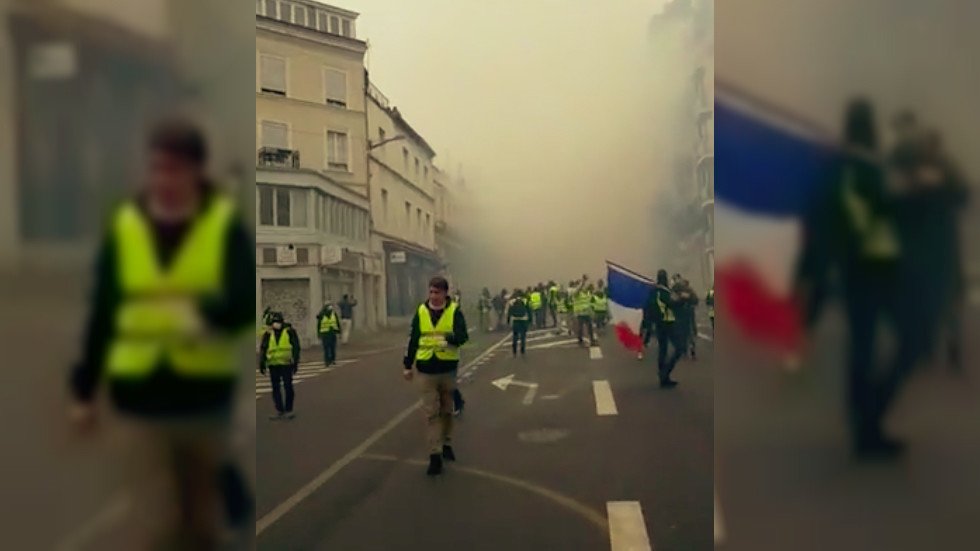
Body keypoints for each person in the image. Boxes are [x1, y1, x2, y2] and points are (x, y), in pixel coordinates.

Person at [68, 118, 255, 548]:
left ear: (195, 171)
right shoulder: (126, 225)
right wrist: (83, 388)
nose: (164, 179)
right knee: (156, 527)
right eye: (156, 168)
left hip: (204, 403)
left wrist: (205, 316)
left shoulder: (224, 225)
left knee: (201, 527)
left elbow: (245, 301)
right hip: (139, 402)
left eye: (174, 169)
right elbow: (103, 310)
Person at [796, 98, 915, 458]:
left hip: (868, 271)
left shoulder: (848, 168)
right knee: (886, 345)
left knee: (875, 347)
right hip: (870, 271)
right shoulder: (859, 169)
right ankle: (867, 426)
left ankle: (867, 420)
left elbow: (819, 227)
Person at [403, 276, 469, 475]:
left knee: (447, 411)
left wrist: (449, 338)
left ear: (445, 293)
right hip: (426, 370)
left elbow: (463, 337)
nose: (434, 296)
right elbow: (412, 339)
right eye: (431, 292)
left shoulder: (454, 312)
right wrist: (407, 365)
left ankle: (446, 442)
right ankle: (435, 454)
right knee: (431, 414)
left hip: (447, 370)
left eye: (437, 292)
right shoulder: (421, 312)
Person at [259, 312, 301, 421]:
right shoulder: (268, 334)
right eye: (274, 322)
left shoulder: (289, 332)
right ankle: (280, 410)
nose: (276, 324)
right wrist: (262, 363)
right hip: (273, 365)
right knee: (275, 388)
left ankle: (288, 409)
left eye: (278, 322)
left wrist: (295, 362)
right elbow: (263, 348)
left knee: (288, 386)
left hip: (286, 364)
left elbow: (296, 347)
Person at [653, 269, 686, 387]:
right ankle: (665, 372)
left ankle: (663, 376)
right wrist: (682, 299)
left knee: (663, 350)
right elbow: (672, 303)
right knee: (680, 347)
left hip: (659, 323)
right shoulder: (664, 291)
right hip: (668, 322)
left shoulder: (654, 290)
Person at [507, 289, 531, 357]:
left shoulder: (512, 301)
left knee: (515, 335)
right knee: (523, 335)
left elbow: (509, 312)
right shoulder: (525, 300)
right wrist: (530, 319)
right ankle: (522, 349)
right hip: (523, 320)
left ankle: (514, 350)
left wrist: (508, 320)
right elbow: (529, 310)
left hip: (515, 320)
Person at [316, 301, 341, 366]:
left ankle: (329, 360)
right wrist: (339, 331)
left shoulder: (323, 314)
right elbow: (337, 322)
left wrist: (318, 333)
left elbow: (319, 325)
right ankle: (330, 360)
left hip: (327, 333)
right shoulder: (328, 314)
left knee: (328, 348)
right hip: (329, 333)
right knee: (330, 347)